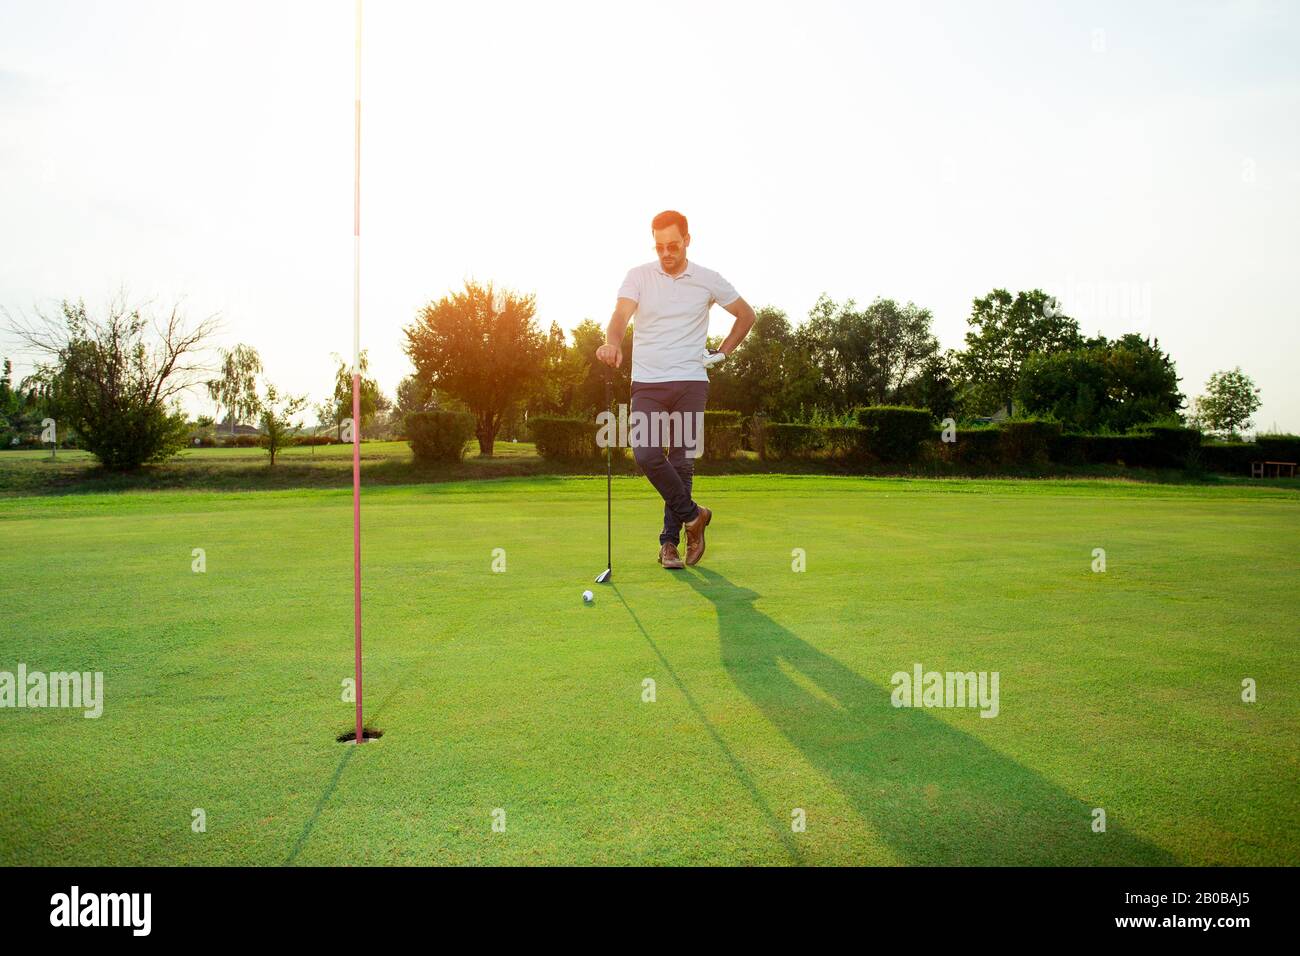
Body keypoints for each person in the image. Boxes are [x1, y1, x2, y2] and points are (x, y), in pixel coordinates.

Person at [596, 210, 755, 569]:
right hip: (648, 382)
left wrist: (723, 353)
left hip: (690, 381)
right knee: (646, 453)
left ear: (687, 240)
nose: (666, 253)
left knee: (682, 463)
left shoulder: (707, 279)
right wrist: (613, 343)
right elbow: (620, 317)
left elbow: (747, 315)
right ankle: (695, 516)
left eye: (673, 245)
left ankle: (669, 544)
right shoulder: (638, 276)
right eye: (659, 247)